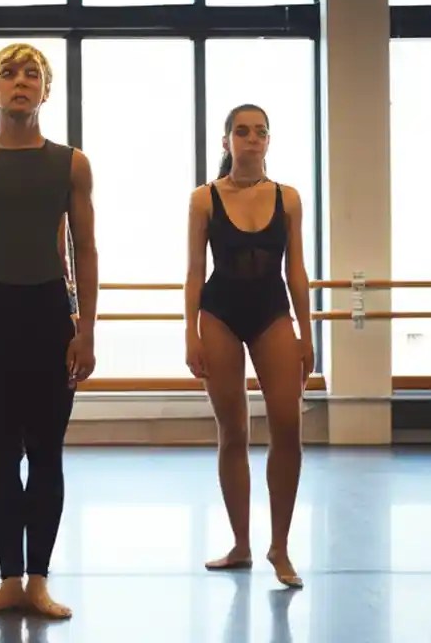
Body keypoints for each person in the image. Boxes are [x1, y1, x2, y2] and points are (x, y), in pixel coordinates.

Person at [0, 43, 97, 619]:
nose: (21, 82)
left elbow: (86, 248)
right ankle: (8, 580)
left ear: (47, 91)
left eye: (33, 74)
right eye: (10, 73)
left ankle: (39, 581)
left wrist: (88, 329)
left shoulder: (71, 163)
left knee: (47, 454)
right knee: (0, 457)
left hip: (49, 315)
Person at [184, 103, 311, 589]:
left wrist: (306, 332)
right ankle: (241, 544)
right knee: (233, 430)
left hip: (272, 312)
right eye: (242, 131)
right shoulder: (203, 199)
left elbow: (296, 271)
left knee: (287, 425)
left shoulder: (289, 198)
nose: (251, 139)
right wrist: (190, 330)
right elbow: (195, 272)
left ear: (268, 141)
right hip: (219, 313)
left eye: (260, 132)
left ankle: (279, 546)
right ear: (227, 142)